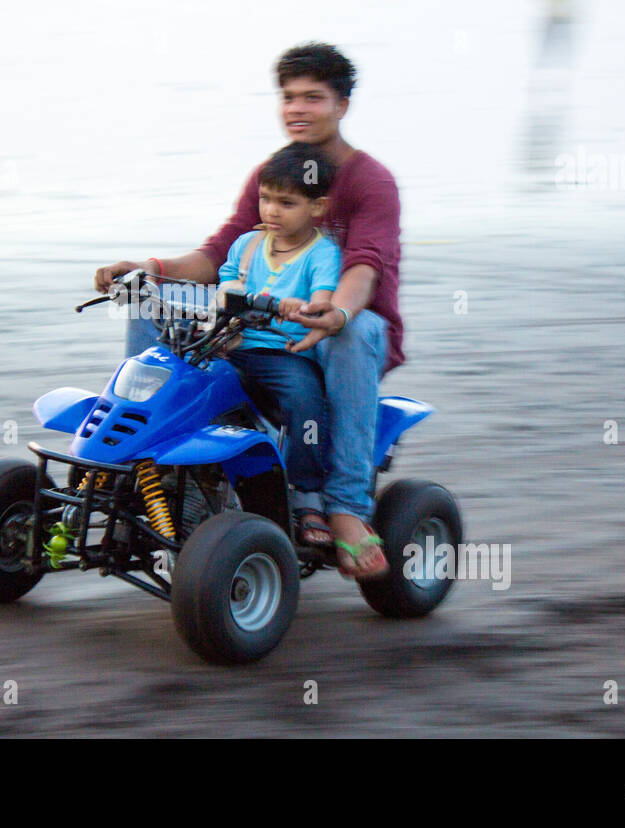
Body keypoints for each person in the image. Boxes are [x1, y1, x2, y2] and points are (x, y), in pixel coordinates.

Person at [94, 42, 401, 579]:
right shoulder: (274, 173)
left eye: (313, 97)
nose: (297, 109)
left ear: (342, 105)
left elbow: (365, 266)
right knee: (151, 299)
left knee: (357, 330)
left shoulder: (369, 181)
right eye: (288, 97)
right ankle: (144, 465)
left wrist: (336, 314)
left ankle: (347, 506)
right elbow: (219, 254)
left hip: (338, 333)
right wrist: (147, 268)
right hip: (259, 327)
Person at [215, 142, 341, 550]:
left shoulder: (322, 253)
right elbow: (228, 277)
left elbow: (323, 300)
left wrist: (302, 306)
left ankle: (307, 499)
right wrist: (232, 291)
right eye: (266, 199)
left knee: (305, 401)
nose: (271, 211)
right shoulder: (248, 244)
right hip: (233, 345)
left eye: (286, 203)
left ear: (317, 207)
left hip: (283, 353)